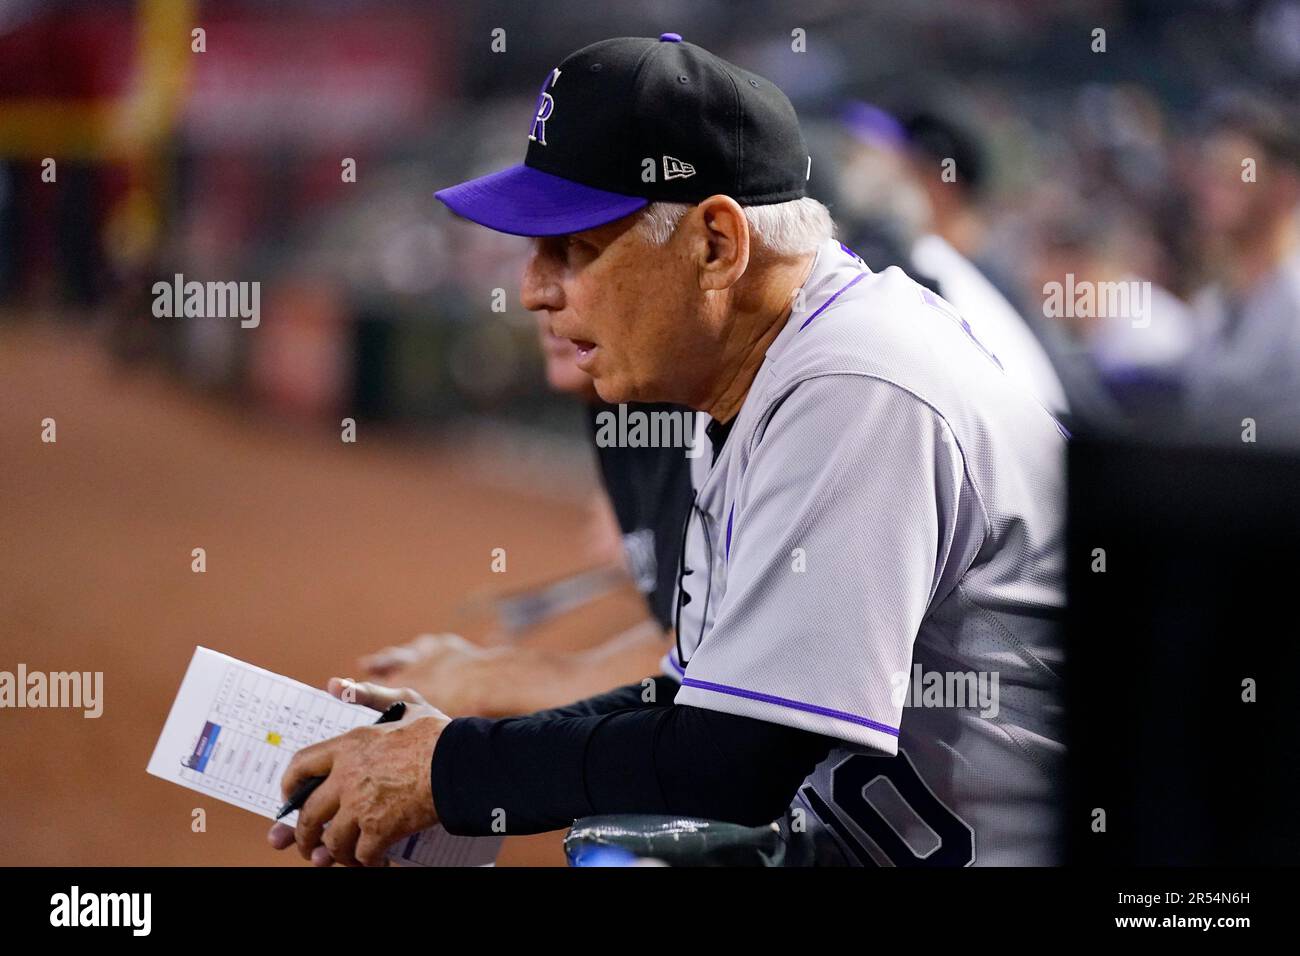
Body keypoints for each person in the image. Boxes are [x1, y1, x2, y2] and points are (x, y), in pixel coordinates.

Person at [267, 34, 1067, 868]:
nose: (533, 288)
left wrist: (448, 772)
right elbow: (691, 700)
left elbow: (733, 760)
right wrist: (450, 746)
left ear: (717, 244)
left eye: (572, 249)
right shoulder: (761, 380)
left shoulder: (859, 387)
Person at [355, 314, 695, 718]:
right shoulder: (616, 404)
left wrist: (483, 678)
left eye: (582, 254)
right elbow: (685, 635)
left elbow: (706, 667)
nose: (539, 297)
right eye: (535, 257)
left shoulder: (698, 420)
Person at [1181, 94, 1300, 444]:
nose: (1210, 188)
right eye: (1209, 172)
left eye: (1232, 172)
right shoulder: (1212, 304)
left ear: (1284, 187)